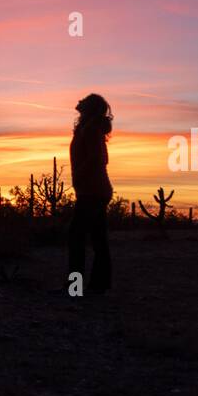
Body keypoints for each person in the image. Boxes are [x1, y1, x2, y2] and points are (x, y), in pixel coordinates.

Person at [68, 92, 113, 293]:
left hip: (92, 191)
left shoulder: (91, 128)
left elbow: (99, 158)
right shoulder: (89, 128)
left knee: (76, 237)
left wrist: (78, 175)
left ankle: (75, 288)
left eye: (84, 100)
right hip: (95, 190)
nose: (80, 101)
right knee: (97, 240)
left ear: (90, 107)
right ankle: (98, 287)